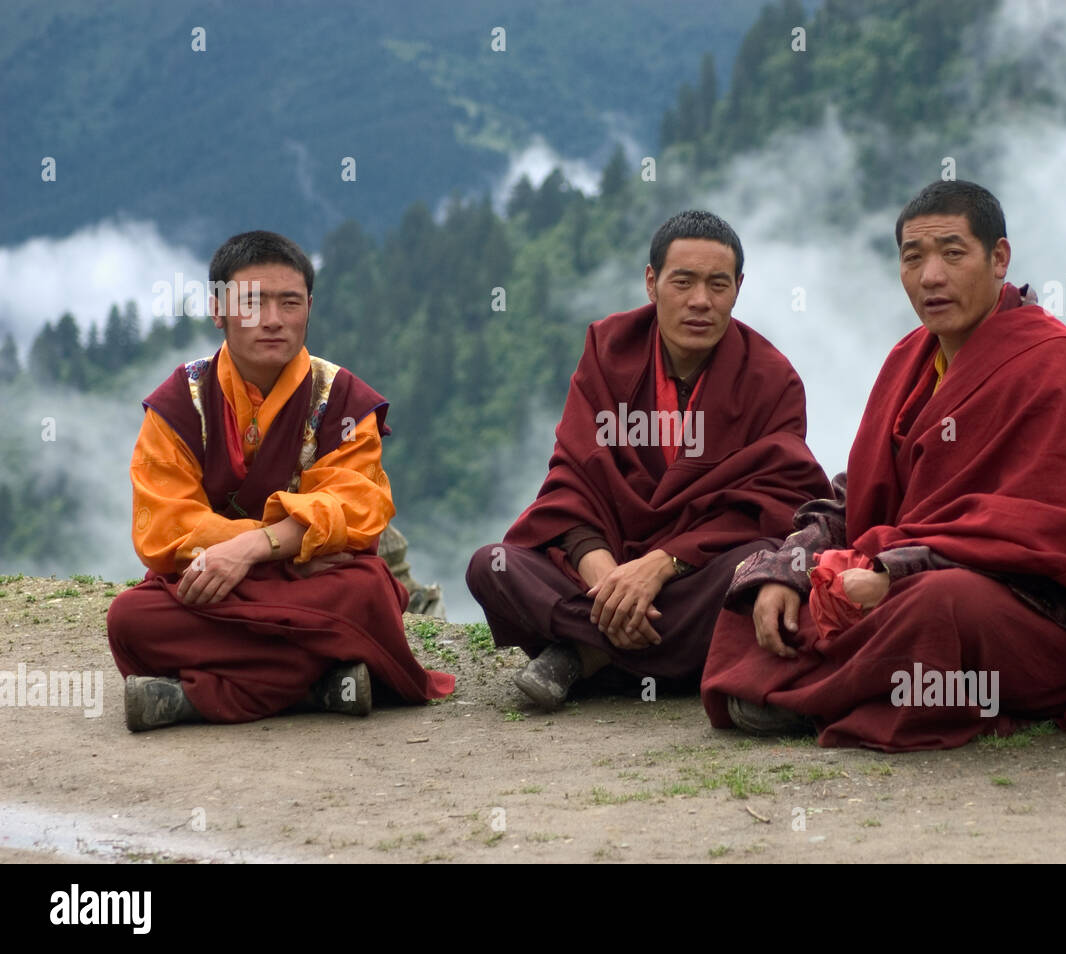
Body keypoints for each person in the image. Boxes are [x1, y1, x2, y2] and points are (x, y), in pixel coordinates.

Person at [701, 181, 1066, 750]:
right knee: (758, 567)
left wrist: (899, 568)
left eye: (952, 252)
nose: (931, 276)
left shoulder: (1058, 371)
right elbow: (862, 494)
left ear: (999, 258)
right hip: (908, 571)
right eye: (913, 258)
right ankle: (831, 686)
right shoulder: (908, 361)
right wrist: (791, 566)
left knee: (937, 606)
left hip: (1045, 614)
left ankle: (808, 693)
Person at [466, 210, 831, 709]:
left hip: (696, 571)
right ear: (652, 283)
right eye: (683, 282)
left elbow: (778, 502)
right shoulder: (608, 350)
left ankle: (583, 656)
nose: (701, 301)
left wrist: (664, 563)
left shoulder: (771, 379)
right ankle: (659, 652)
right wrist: (610, 581)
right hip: (612, 562)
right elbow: (574, 479)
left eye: (718, 285)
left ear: (739, 288)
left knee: (753, 564)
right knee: (493, 565)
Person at [106, 230, 454, 731]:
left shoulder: (342, 399)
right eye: (252, 302)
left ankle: (198, 698)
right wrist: (289, 550)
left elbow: (359, 507)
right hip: (265, 581)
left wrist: (249, 552)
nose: (272, 319)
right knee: (131, 620)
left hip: (303, 585)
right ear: (218, 310)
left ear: (308, 307)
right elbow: (163, 528)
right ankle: (319, 685)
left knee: (367, 594)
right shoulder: (180, 405)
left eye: (289, 302)